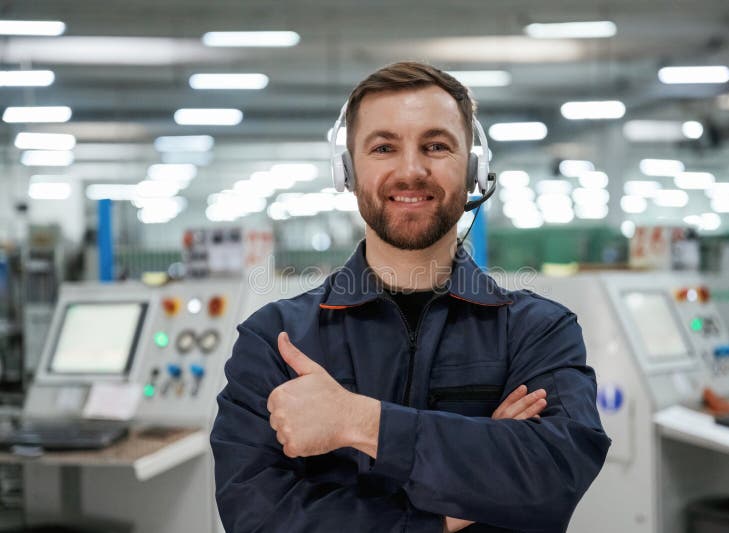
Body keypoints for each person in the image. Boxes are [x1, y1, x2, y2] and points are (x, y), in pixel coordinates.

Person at [210, 61, 610, 532]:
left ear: (474, 170)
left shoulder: (537, 331)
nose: (411, 170)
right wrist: (451, 511)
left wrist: (359, 421)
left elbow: (553, 476)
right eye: (383, 147)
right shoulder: (276, 340)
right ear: (347, 172)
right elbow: (258, 518)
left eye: (436, 146)